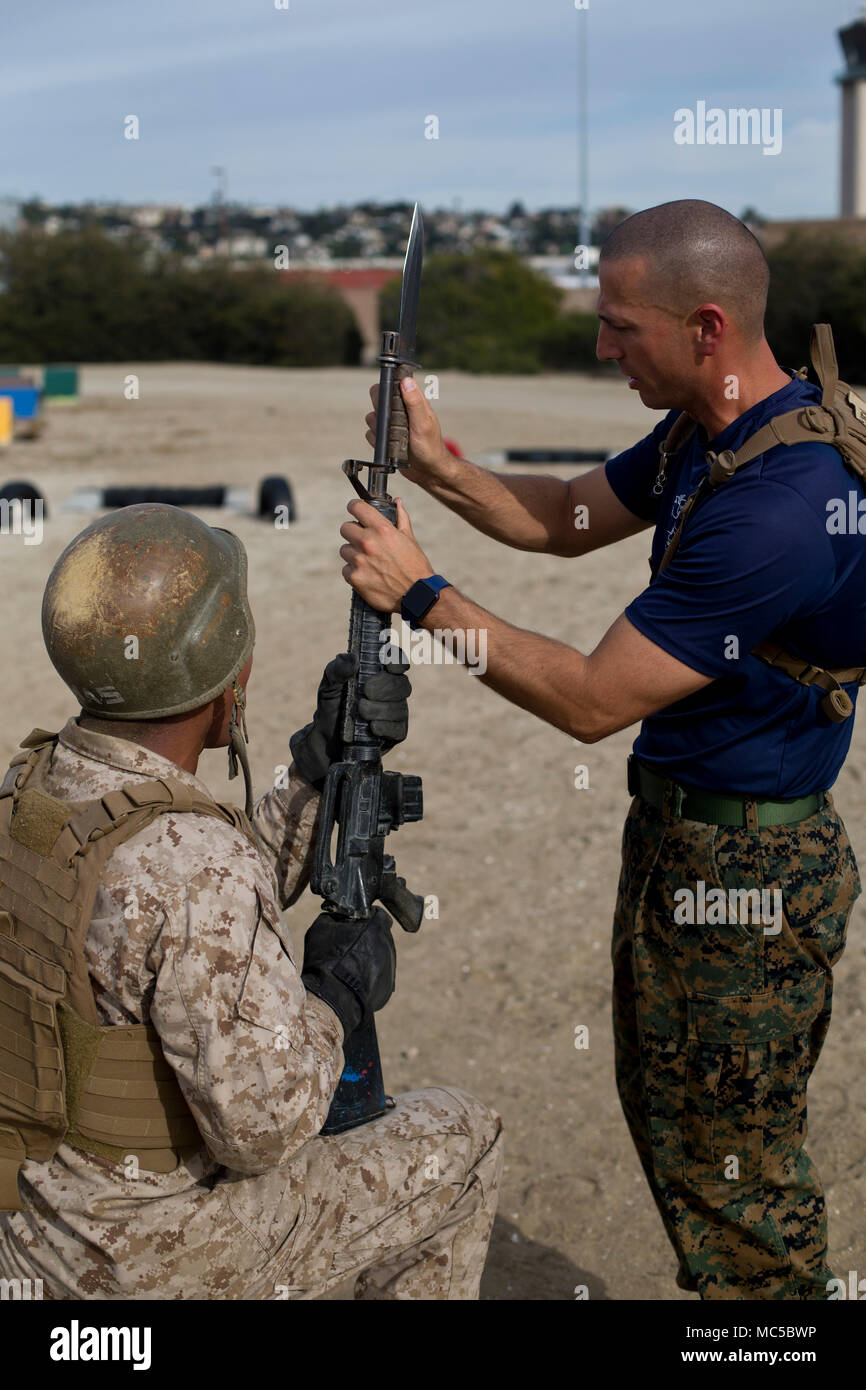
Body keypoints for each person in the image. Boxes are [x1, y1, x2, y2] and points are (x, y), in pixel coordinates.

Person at [340, 200, 865, 1300]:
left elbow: (588, 699)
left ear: (706, 325)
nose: (601, 348)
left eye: (621, 327)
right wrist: (439, 467)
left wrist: (419, 593)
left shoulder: (778, 506)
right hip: (688, 844)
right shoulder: (716, 426)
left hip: (746, 883)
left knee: (737, 1189)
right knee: (679, 1128)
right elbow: (567, 517)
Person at [0, 502, 502, 1300]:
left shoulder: (32, 794)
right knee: (464, 1134)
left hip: (34, 1219)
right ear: (228, 674)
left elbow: (176, 898)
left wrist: (314, 765)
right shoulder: (200, 863)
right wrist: (332, 1000)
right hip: (141, 1256)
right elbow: (262, 1129)